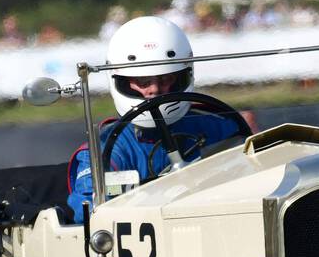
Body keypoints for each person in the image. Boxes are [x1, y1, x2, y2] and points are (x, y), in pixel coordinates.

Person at [65, 16, 245, 222]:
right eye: (143, 81)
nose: (155, 90)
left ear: (182, 76)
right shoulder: (102, 152)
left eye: (166, 79)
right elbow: (88, 213)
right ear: (121, 81)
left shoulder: (221, 129)